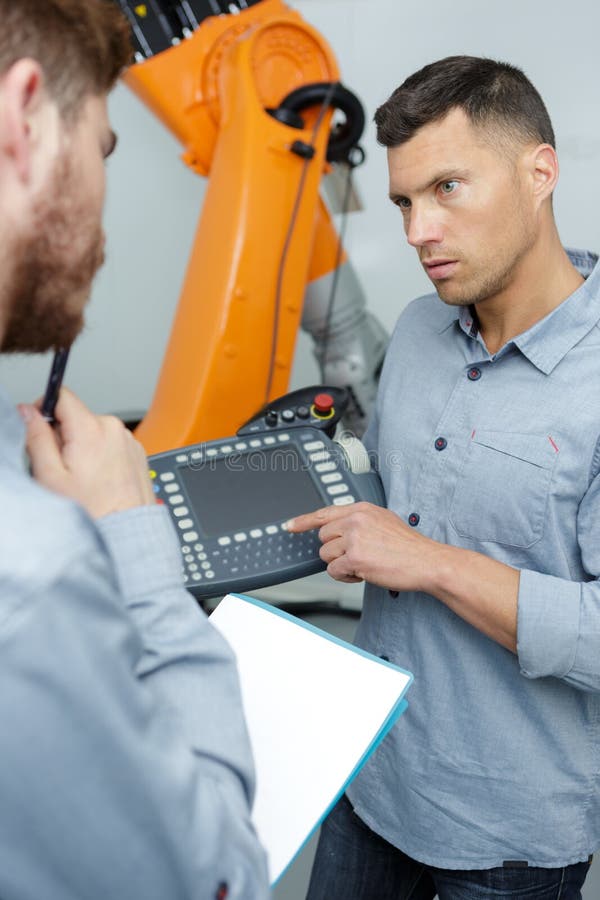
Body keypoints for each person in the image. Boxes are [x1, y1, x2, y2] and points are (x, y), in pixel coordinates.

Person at [288, 56, 599, 899]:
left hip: (507, 837)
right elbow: (404, 507)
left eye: (447, 189)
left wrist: (425, 561)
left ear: (540, 173)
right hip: (373, 776)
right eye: (403, 202)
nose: (418, 230)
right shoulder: (421, 330)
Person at [0, 2, 269, 898]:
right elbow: (216, 878)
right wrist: (129, 534)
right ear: (22, 117)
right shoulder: (31, 572)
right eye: (103, 150)